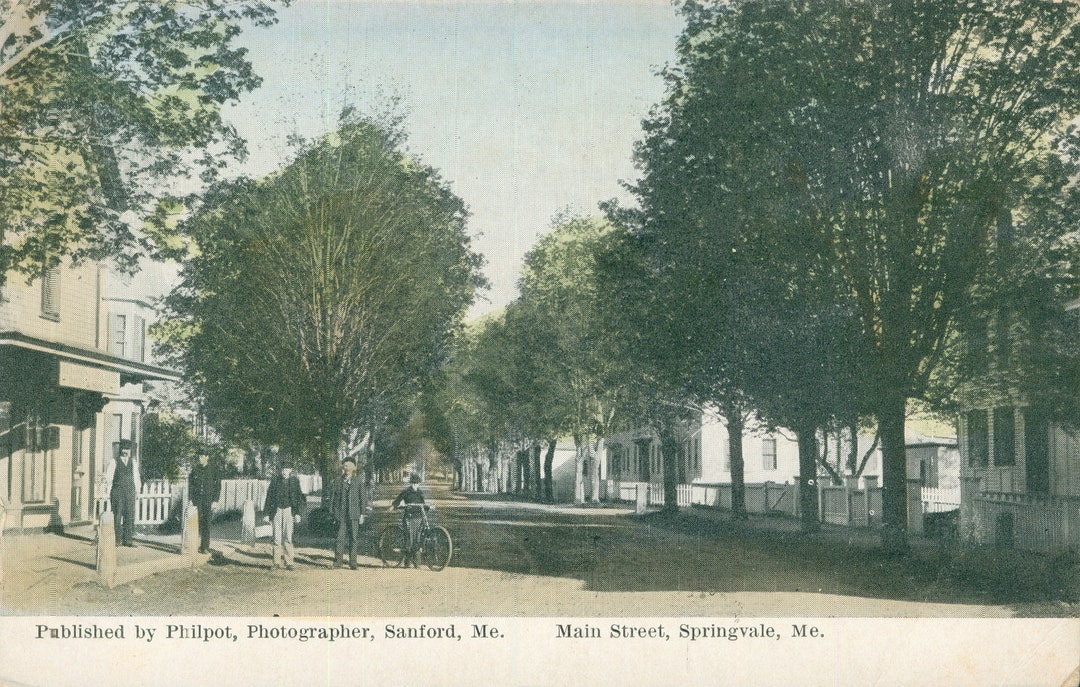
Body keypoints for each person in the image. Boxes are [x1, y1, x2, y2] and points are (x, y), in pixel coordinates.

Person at [264, 464, 305, 570]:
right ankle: (276, 562)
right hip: (276, 510)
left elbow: (299, 498)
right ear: (280, 470)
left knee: (288, 537)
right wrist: (266, 514)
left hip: (289, 510)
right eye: (282, 470)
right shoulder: (275, 481)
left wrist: (297, 513)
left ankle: (289, 562)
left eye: (286, 470)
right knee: (276, 538)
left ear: (290, 470)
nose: (284, 472)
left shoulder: (295, 481)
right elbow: (269, 497)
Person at [329, 457, 366, 570]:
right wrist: (333, 513)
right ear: (343, 467)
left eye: (349, 466)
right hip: (341, 515)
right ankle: (338, 562)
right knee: (339, 538)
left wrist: (362, 514)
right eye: (345, 466)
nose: (347, 468)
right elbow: (333, 498)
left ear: (354, 468)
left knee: (353, 538)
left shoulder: (358, 481)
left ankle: (353, 563)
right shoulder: (337, 481)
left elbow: (363, 499)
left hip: (354, 515)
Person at [105, 440, 140, 547]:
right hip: (118, 491)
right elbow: (109, 478)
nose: (125, 452)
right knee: (117, 515)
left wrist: (137, 491)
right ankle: (116, 540)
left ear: (130, 450)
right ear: (120, 450)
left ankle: (128, 540)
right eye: (123, 449)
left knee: (129, 515)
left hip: (130, 491)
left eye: (127, 449)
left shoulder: (133, 462)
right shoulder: (114, 462)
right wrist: (109, 492)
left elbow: (136, 477)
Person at [188, 451, 222, 554]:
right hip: (197, 500)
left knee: (206, 523)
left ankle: (205, 547)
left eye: (202, 456)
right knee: (195, 522)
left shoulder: (213, 470)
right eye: (199, 456)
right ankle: (193, 545)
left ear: (207, 457)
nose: (200, 458)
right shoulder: (195, 470)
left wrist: (215, 500)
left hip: (208, 500)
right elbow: (191, 485)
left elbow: (218, 486)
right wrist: (190, 499)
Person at [389, 473, 426, 568]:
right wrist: (394, 506)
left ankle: (417, 563)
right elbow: (399, 499)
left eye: (416, 483)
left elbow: (423, 504)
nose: (415, 485)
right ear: (411, 483)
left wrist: (427, 507)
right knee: (409, 538)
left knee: (417, 539)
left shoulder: (420, 493)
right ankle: (407, 562)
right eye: (413, 483)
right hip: (409, 517)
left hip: (418, 518)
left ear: (419, 484)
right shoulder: (406, 491)